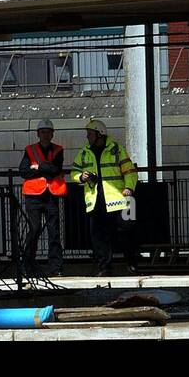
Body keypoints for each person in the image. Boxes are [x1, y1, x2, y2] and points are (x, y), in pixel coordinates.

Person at [70, 118, 138, 275]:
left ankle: (131, 263)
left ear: (99, 134)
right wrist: (81, 177)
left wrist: (129, 187)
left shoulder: (117, 149)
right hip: (96, 200)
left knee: (125, 231)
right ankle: (104, 268)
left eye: (90, 133)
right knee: (99, 236)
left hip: (118, 199)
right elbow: (74, 172)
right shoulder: (84, 152)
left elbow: (130, 171)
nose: (87, 136)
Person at [18, 118, 66, 275]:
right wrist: (45, 168)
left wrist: (38, 166)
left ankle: (56, 268)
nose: (45, 135)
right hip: (34, 196)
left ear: (52, 134)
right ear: (38, 134)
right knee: (34, 229)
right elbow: (24, 171)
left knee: (54, 232)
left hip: (51, 194)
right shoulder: (29, 150)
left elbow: (56, 169)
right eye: (43, 132)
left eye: (48, 132)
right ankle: (28, 265)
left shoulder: (58, 150)